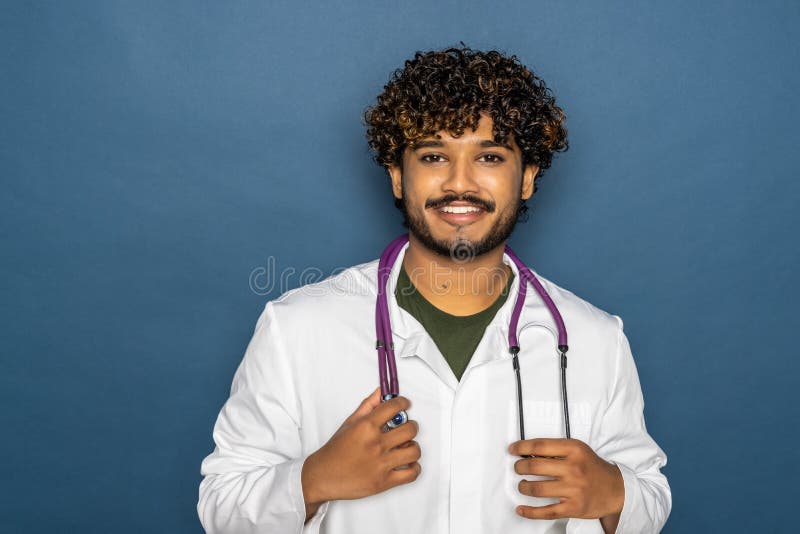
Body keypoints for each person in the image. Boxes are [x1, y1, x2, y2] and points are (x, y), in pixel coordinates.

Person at [197, 46, 671, 533]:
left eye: (489, 156)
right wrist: (312, 479)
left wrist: (616, 493)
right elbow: (221, 505)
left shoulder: (595, 339)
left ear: (527, 177)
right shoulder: (297, 327)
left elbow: (649, 495)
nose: (459, 182)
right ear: (399, 177)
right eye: (433, 155)